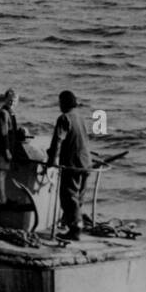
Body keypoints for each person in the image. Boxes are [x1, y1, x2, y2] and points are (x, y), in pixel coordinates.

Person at [47, 90, 93, 239]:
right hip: (86, 163)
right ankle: (74, 224)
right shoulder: (80, 117)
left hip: (73, 164)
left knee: (69, 196)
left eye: (60, 102)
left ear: (64, 103)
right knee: (79, 197)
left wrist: (52, 160)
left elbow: (57, 141)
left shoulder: (64, 118)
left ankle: (75, 228)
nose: (59, 105)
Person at [0, 89, 19, 203]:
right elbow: (3, 133)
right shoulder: (3, 113)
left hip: (2, 149)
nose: (12, 102)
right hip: (0, 150)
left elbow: (11, 132)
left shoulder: (10, 113)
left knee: (0, 174)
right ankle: (2, 199)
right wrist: (7, 150)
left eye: (14, 100)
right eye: (10, 100)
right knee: (0, 174)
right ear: (5, 99)